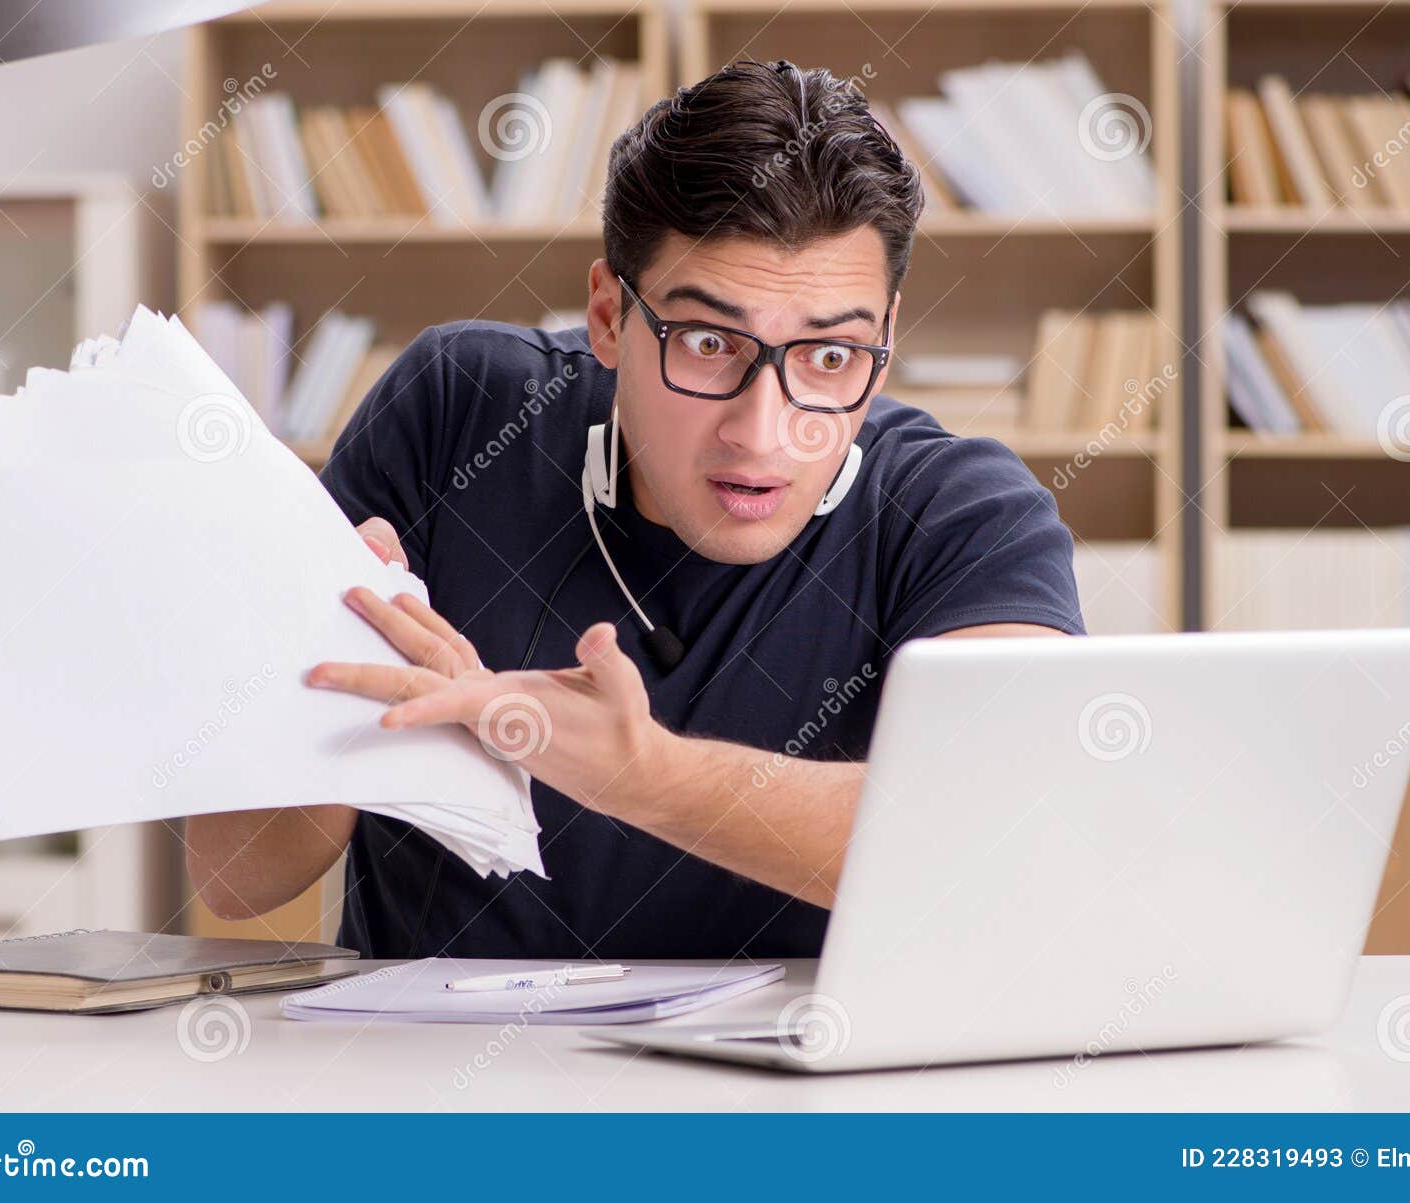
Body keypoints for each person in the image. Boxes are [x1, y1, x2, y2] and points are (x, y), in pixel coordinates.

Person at [186, 60, 1084, 959]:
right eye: (705, 342)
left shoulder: (963, 510)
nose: (762, 432)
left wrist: (642, 776)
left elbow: (1014, 838)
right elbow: (235, 878)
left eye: (830, 356)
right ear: (610, 316)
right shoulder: (456, 409)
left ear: (884, 346)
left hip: (793, 1090)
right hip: (441, 1086)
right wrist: (359, 703)